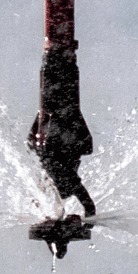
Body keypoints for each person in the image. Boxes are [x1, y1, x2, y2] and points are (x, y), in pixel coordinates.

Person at [30, 42, 96, 217]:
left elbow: (89, 207)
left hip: (64, 122)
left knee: (56, 68)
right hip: (62, 123)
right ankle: (56, 54)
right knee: (57, 68)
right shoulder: (64, 180)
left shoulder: (63, 180)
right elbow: (89, 207)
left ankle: (56, 54)